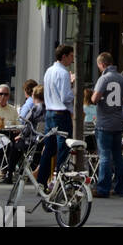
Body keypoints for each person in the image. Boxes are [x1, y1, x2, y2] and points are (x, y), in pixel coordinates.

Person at [91, 51, 123, 199]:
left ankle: (103, 188)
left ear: (102, 64)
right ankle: (121, 188)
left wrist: (99, 97)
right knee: (118, 157)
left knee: (105, 156)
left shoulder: (104, 79)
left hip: (104, 123)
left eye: (99, 66)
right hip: (117, 123)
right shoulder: (122, 79)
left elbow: (95, 99)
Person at [37, 43, 74, 187]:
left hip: (50, 113)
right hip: (61, 114)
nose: (72, 59)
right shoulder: (64, 73)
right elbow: (65, 97)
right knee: (63, 148)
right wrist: (73, 87)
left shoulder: (49, 70)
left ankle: (41, 180)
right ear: (63, 56)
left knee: (49, 148)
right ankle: (58, 180)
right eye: (71, 56)